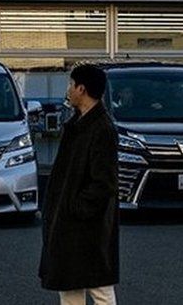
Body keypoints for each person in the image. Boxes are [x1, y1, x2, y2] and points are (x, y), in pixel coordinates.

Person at [39, 64, 119, 305]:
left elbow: (104, 182)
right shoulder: (79, 124)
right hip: (72, 222)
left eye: (71, 84)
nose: (69, 90)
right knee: (70, 285)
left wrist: (75, 208)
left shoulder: (101, 128)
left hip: (86, 224)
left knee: (98, 287)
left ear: (81, 89)